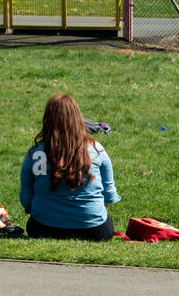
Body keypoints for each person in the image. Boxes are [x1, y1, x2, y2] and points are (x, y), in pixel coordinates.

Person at [20, 93, 120, 240]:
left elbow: (26, 197)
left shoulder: (36, 154)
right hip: (94, 230)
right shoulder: (97, 150)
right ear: (78, 119)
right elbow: (110, 195)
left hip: (43, 227)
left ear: (47, 120)